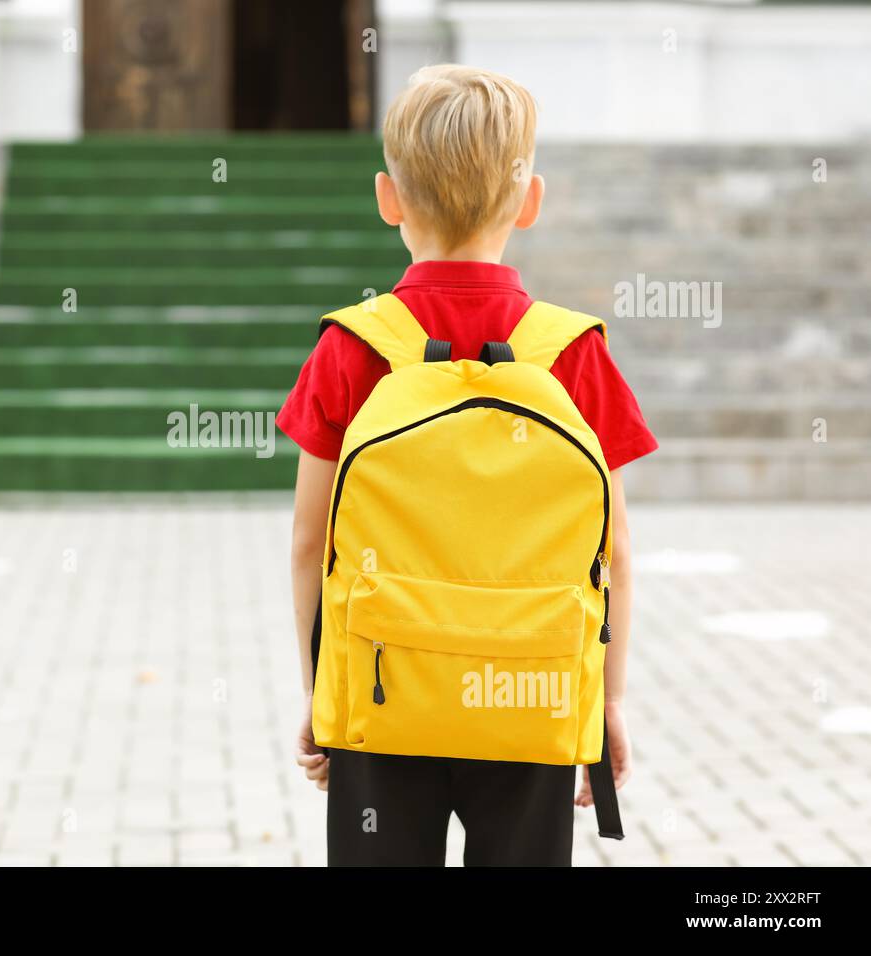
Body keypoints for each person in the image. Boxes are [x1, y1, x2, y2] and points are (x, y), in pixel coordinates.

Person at [278, 64, 658, 866]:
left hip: (385, 695)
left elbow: (311, 544)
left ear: (389, 199)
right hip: (533, 695)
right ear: (530, 201)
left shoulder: (351, 346)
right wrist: (608, 700)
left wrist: (323, 689)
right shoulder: (574, 351)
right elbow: (614, 548)